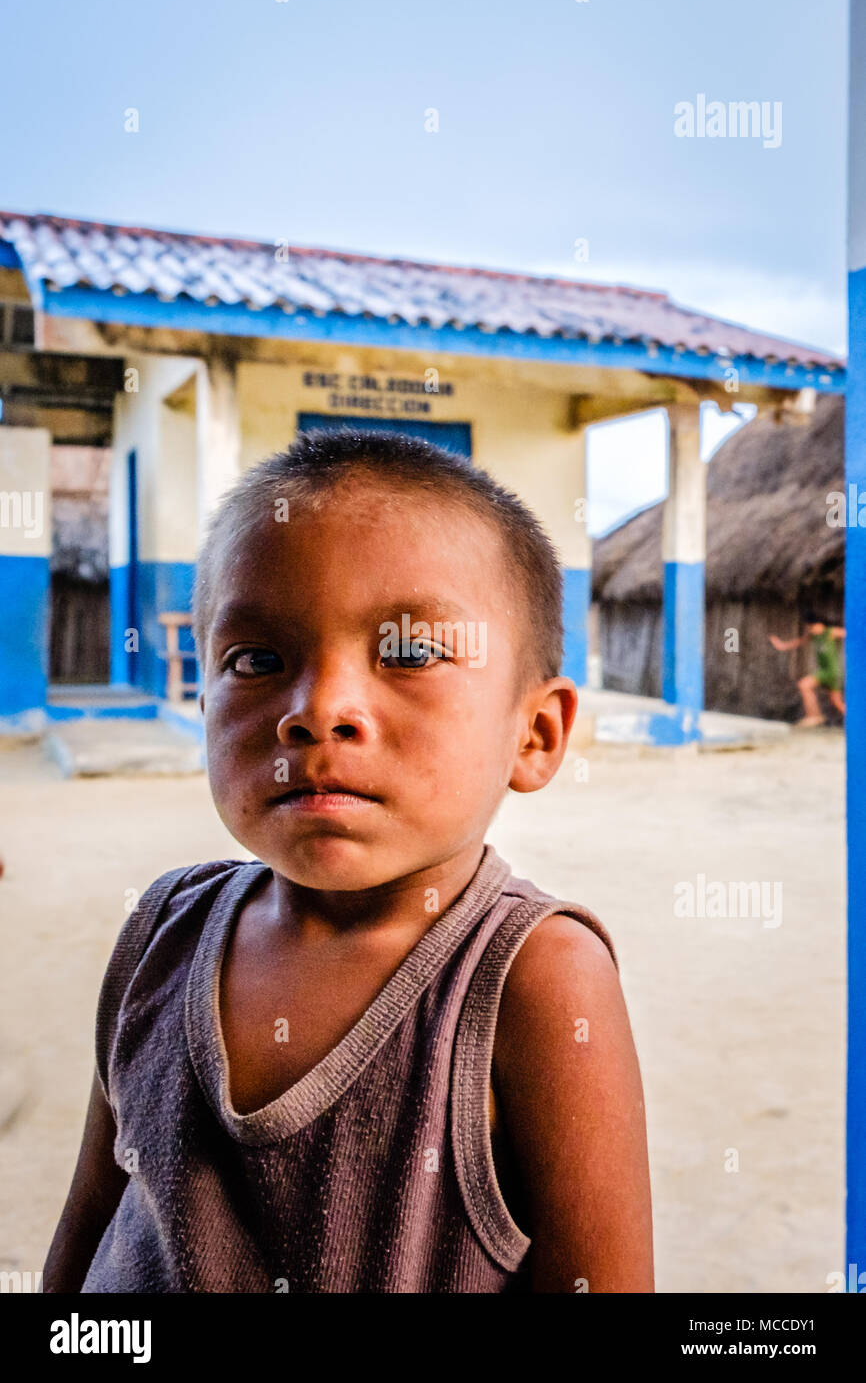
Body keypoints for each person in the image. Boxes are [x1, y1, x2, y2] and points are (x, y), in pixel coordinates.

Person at [43, 428, 653, 1294]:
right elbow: (92, 1218)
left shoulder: (537, 979)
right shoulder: (160, 933)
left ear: (537, 733)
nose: (320, 710)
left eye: (407, 652)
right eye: (257, 660)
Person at [768, 619, 846, 727]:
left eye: (812, 627)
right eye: (809, 628)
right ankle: (858, 721)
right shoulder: (813, 635)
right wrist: (781, 645)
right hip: (828, 672)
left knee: (804, 685)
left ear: (820, 624)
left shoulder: (830, 632)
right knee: (837, 702)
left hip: (832, 671)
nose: (811, 630)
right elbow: (797, 642)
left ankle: (814, 716)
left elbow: (852, 633)